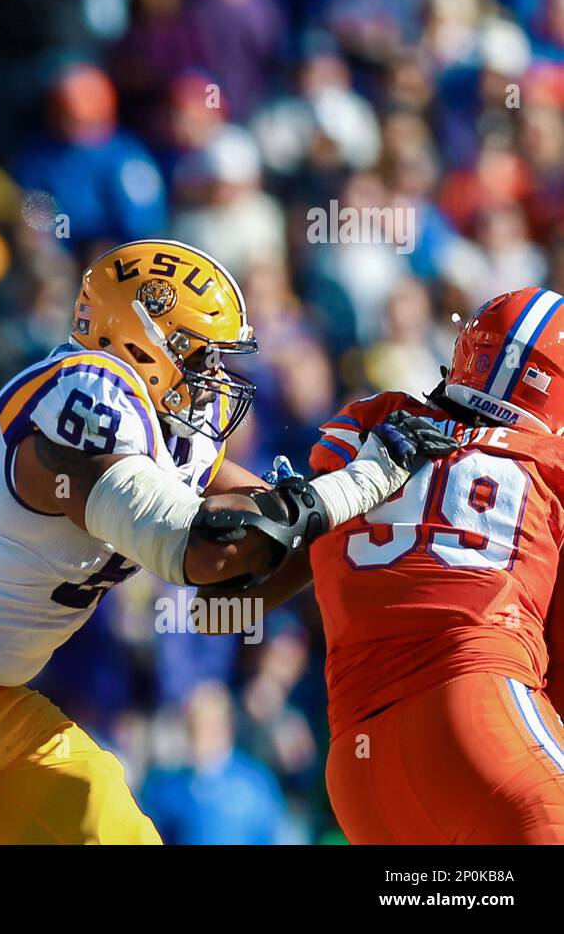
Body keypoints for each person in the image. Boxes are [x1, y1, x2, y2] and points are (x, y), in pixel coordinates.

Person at [0, 238, 452, 844]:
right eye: (200, 354)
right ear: (139, 341)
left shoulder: (178, 435)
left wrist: (366, 497)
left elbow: (230, 589)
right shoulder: (86, 390)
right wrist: (365, 478)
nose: (215, 377)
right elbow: (196, 548)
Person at [240, 286, 564, 843]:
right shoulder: (548, 466)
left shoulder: (372, 429)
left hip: (358, 773)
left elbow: (226, 603)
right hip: (479, 720)